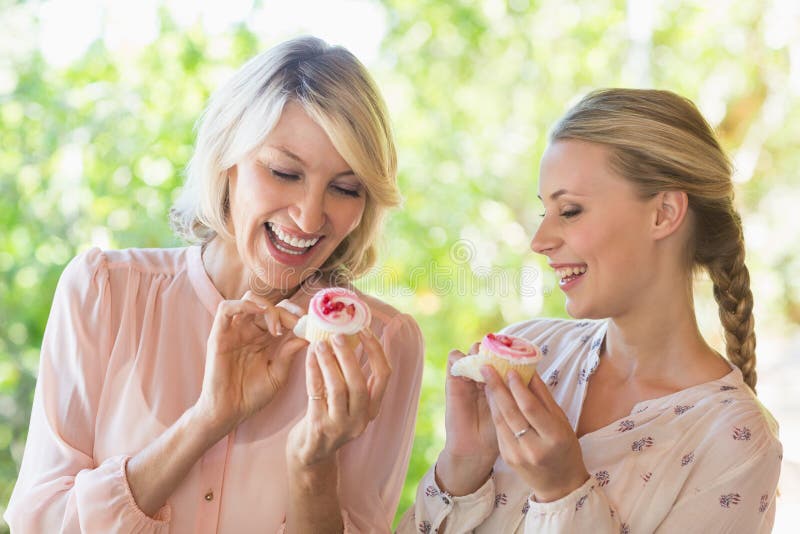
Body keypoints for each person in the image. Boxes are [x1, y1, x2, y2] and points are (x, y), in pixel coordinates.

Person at [5, 36, 424, 533]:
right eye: (285, 172)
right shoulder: (103, 293)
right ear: (227, 160)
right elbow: (42, 523)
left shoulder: (384, 344)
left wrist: (314, 468)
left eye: (345, 187)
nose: (311, 216)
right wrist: (206, 419)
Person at [398, 88, 781, 533]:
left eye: (570, 210)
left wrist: (564, 491)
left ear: (664, 213)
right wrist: (462, 466)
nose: (539, 241)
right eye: (545, 211)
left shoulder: (736, 444)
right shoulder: (535, 351)